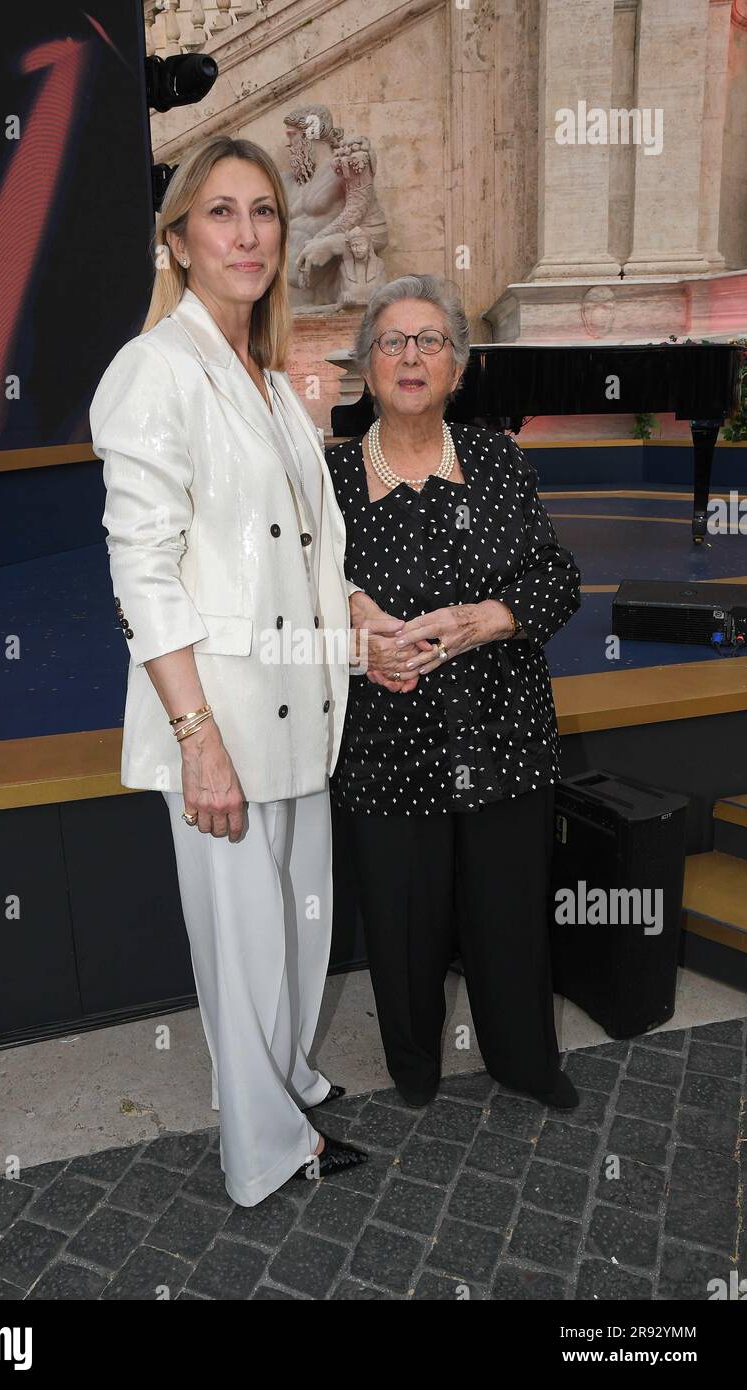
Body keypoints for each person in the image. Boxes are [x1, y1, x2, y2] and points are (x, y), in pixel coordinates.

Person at [89, 135, 368, 1207]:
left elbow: (307, 542)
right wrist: (196, 739)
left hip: (299, 700)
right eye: (220, 213)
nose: (246, 233)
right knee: (244, 944)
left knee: (298, 920)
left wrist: (357, 618)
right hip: (220, 715)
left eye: (262, 212)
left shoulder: (264, 375)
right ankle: (262, 1148)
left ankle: (287, 1079)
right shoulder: (155, 370)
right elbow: (140, 571)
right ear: (178, 239)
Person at [325, 273, 582, 1109]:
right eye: (391, 341)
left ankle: (525, 1061)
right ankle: (415, 1071)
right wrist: (351, 633)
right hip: (386, 749)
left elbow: (556, 578)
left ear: (458, 367)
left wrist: (490, 617)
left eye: (429, 340)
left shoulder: (500, 460)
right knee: (404, 932)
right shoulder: (325, 485)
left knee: (508, 917)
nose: (410, 355)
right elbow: (285, 606)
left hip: (503, 737)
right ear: (366, 366)